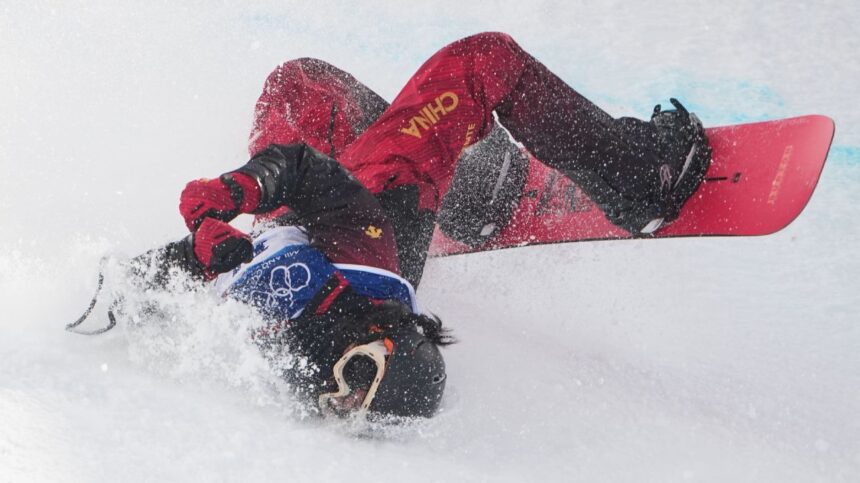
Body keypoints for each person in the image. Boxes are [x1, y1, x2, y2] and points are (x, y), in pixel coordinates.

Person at [126, 32, 710, 421]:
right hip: (375, 197)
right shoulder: (363, 253)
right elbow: (304, 173)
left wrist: (180, 250)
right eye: (356, 383)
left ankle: (478, 187)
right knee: (486, 61)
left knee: (300, 86)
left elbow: (162, 278)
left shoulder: (278, 343)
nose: (342, 397)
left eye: (348, 390)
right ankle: (640, 181)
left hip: (303, 219)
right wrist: (231, 192)